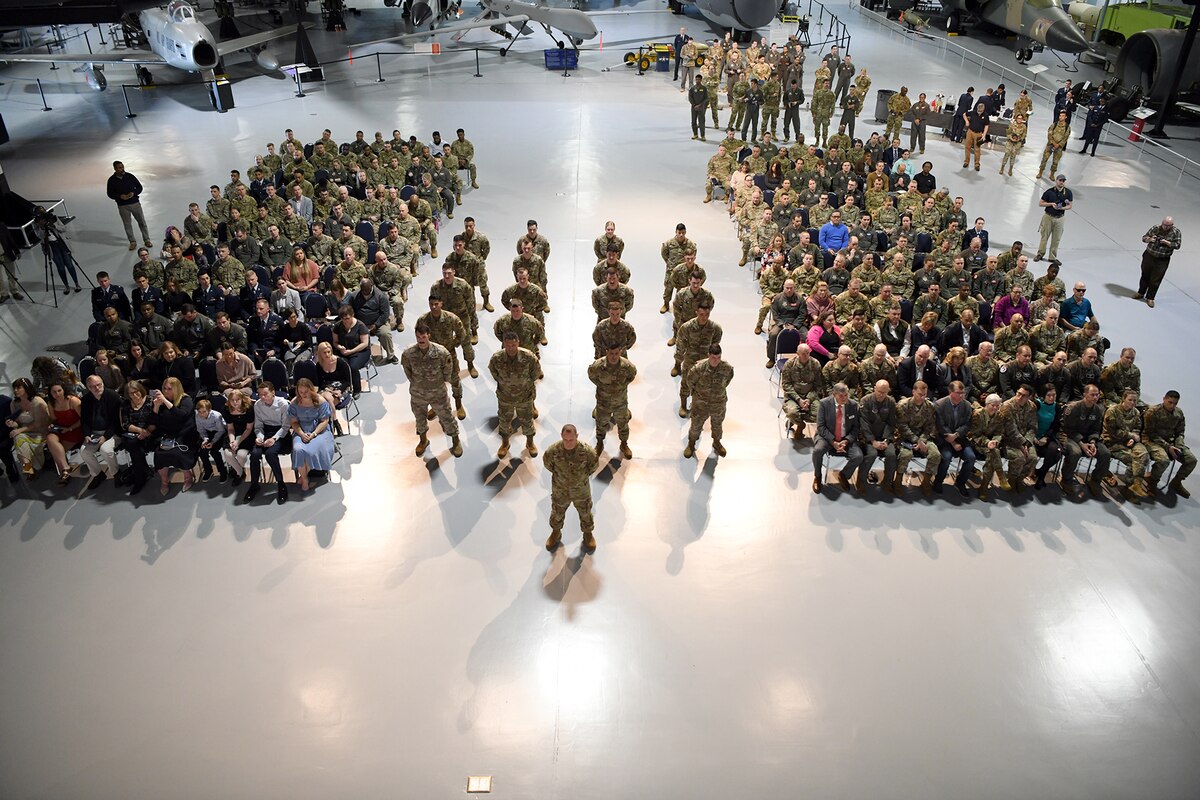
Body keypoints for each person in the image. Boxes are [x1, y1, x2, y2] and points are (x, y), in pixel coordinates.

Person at [542, 424, 599, 552]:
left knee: (585, 512)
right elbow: (548, 464)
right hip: (560, 490)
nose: (568, 443)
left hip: (581, 491)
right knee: (557, 512)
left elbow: (593, 466)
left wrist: (579, 479)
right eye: (565, 439)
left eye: (571, 439)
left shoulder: (587, 452)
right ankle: (556, 532)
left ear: (576, 436)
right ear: (561, 436)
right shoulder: (553, 451)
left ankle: (587, 534)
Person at [489, 332, 542, 459]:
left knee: (527, 420)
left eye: (513, 344)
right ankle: (505, 443)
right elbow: (494, 372)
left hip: (524, 397)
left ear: (518, 343)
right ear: (504, 344)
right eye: (508, 345)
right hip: (505, 397)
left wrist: (525, 384)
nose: (511, 347)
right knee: (504, 421)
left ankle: (530, 443)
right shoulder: (497, 358)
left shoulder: (528, 357)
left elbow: (536, 372)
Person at [243, 381, 291, 504]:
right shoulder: (258, 405)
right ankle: (254, 484)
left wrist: (274, 439)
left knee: (270, 453)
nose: (262, 397)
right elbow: (258, 426)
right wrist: (259, 437)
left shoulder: (283, 404)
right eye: (260, 394)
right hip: (265, 431)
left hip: (280, 434)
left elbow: (285, 427)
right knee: (254, 454)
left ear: (273, 393)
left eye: (265, 394)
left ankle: (281, 484)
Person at [1059, 383, 1111, 498]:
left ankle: (1095, 481)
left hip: (1088, 438)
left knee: (1105, 454)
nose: (1095, 397)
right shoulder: (1073, 408)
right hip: (1069, 436)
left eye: (1097, 395)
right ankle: (1066, 480)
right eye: (1092, 395)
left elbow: (1096, 429)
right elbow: (1067, 428)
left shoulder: (1098, 410)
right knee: (1075, 452)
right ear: (1084, 395)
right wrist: (1082, 444)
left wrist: (1092, 442)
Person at [684, 343, 734, 458]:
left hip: (718, 403)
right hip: (701, 404)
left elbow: (727, 381)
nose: (716, 361)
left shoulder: (727, 368)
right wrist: (698, 396)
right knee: (695, 426)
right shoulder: (699, 368)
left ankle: (716, 443)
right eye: (713, 357)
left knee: (717, 425)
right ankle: (691, 444)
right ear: (708, 355)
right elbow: (690, 381)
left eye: (718, 357)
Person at [812, 382, 863, 494]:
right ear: (834, 394)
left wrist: (846, 440)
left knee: (858, 456)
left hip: (846, 438)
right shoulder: (824, 404)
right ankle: (818, 476)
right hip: (827, 437)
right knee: (817, 451)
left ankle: (843, 475)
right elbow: (821, 426)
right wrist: (833, 441)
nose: (844, 398)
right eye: (841, 396)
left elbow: (856, 427)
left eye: (846, 395)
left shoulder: (853, 405)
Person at [1143, 390, 1195, 498]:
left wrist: (1178, 446)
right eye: (1170, 402)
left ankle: (1176, 482)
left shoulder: (1178, 413)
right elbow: (1150, 433)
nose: (1172, 405)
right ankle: (1152, 482)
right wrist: (1168, 447)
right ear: (1164, 399)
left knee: (1191, 460)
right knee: (1163, 460)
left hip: (1172, 442)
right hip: (1152, 441)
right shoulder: (1152, 411)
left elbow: (1180, 432)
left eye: (1175, 403)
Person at [151, 377, 198, 496]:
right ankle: (164, 481)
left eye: (169, 389)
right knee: (160, 453)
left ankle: (188, 477)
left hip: (184, 433)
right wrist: (156, 406)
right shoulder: (161, 402)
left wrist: (167, 403)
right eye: (165, 389)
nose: (166, 392)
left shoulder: (186, 400)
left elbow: (181, 415)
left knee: (177, 452)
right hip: (167, 433)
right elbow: (154, 422)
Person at [589, 343, 637, 459]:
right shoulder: (599, 365)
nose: (614, 356)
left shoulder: (626, 366)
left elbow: (632, 374)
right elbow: (591, 375)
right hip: (603, 402)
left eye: (616, 353)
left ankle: (624, 444)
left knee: (623, 424)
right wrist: (601, 386)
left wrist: (622, 385)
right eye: (611, 353)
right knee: (601, 423)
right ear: (607, 352)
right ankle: (599, 443)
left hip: (620, 403)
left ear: (620, 352)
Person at [1104, 389, 1152, 503]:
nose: (1132, 403)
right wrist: (1129, 435)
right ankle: (1128, 487)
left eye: (1135, 400)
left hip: (1128, 442)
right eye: (1130, 400)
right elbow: (1112, 432)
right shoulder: (1112, 411)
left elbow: (1137, 427)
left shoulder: (1135, 412)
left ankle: (1136, 484)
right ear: (1123, 399)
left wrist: (1132, 439)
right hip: (1112, 442)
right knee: (1133, 460)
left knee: (1144, 455)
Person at [895, 380, 941, 496]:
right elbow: (902, 427)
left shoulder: (929, 406)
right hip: (904, 438)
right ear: (913, 392)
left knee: (935, 454)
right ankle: (897, 482)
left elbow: (929, 426)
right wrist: (917, 441)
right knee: (906, 455)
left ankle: (926, 482)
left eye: (925, 395)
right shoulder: (902, 405)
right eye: (920, 394)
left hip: (923, 438)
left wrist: (922, 441)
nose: (922, 397)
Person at [288, 378, 334, 495]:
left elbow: (324, 421)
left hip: (319, 430)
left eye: (306, 392)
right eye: (300, 392)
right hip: (301, 430)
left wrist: (313, 434)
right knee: (298, 450)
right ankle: (304, 479)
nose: (303, 394)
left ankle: (304, 476)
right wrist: (302, 434)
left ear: (311, 390)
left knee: (311, 451)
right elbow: (294, 422)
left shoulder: (321, 401)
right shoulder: (294, 403)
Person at [933, 380, 976, 496]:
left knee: (971, 457)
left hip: (959, 437)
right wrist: (952, 442)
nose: (961, 395)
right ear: (950, 392)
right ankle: (938, 482)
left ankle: (960, 482)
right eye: (958, 393)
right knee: (946, 457)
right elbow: (940, 426)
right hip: (943, 437)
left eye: (963, 393)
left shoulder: (967, 405)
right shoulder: (939, 404)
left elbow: (967, 425)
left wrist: (956, 435)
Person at [6, 378, 50, 478]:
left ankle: (29, 467)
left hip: (39, 432)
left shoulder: (37, 402)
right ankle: (28, 467)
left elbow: (39, 423)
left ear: (26, 388)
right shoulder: (14, 404)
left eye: (18, 388)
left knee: (19, 436)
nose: (15, 391)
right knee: (19, 438)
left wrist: (19, 430)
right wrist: (13, 424)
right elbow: (17, 422)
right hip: (25, 433)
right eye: (14, 388)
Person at [1136, 216, 1182, 308]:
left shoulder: (1176, 232)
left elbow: (1177, 245)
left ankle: (1150, 298)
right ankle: (1140, 292)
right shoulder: (1155, 228)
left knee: (1156, 279)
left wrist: (1167, 243)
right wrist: (1150, 239)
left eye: (1168, 225)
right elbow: (1144, 238)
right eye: (1164, 224)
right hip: (1149, 255)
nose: (1165, 227)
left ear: (1172, 225)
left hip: (1162, 259)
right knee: (1145, 274)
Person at [107, 160, 153, 250]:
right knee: (127, 224)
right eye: (120, 168)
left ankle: (147, 240)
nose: (122, 169)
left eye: (123, 167)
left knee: (142, 222)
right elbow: (110, 193)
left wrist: (133, 193)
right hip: (123, 206)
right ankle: (132, 242)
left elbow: (139, 187)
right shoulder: (111, 180)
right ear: (115, 169)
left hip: (135, 204)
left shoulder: (130, 176)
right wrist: (120, 196)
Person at [45, 383, 83, 485]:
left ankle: (64, 472)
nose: (57, 394)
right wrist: (51, 425)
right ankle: (66, 468)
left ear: (63, 390)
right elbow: (53, 419)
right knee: (50, 439)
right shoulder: (51, 403)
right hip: (60, 428)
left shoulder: (72, 401)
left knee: (56, 449)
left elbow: (83, 419)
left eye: (59, 391)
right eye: (54, 392)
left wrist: (70, 428)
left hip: (75, 428)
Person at [1034, 174, 1073, 266]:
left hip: (1060, 218)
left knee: (1056, 239)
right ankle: (1040, 254)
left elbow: (1070, 205)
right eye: (1060, 180)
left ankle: (1052, 257)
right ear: (1056, 181)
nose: (1061, 182)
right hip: (1049, 216)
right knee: (1044, 236)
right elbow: (1041, 203)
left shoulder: (1068, 192)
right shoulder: (1049, 192)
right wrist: (1051, 204)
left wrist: (1062, 208)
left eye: (1063, 181)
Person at [221, 389, 254, 486]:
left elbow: (248, 429)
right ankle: (240, 473)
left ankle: (236, 469)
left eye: (237, 400)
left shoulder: (249, 408)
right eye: (232, 400)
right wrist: (232, 441)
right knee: (227, 454)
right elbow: (230, 428)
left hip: (247, 434)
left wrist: (238, 442)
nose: (235, 402)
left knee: (241, 455)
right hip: (234, 433)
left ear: (242, 399)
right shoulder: (226, 409)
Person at [194, 397, 228, 482]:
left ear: (209, 410)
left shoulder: (216, 416)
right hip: (207, 433)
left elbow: (221, 430)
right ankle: (208, 470)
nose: (201, 414)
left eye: (204, 412)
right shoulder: (197, 416)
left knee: (214, 452)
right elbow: (201, 430)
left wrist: (213, 442)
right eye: (199, 412)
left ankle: (223, 471)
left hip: (220, 433)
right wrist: (205, 439)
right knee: (202, 452)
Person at [1036, 112, 1071, 180]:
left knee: (1055, 162)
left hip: (1059, 147)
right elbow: (1049, 134)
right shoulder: (1054, 125)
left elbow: (1066, 138)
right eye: (1060, 116)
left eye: (1063, 116)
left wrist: (1059, 145)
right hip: (1050, 145)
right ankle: (1040, 172)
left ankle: (1052, 174)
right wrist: (1053, 142)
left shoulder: (1067, 127)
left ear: (1066, 117)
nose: (1061, 117)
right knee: (1044, 159)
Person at [962, 101, 990, 171]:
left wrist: (984, 135)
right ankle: (966, 161)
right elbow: (964, 114)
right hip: (970, 131)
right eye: (978, 111)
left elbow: (986, 125)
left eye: (981, 111)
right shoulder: (973, 112)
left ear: (983, 110)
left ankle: (977, 164)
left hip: (978, 134)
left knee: (977, 149)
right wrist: (967, 121)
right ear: (977, 109)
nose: (979, 112)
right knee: (967, 147)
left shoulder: (986, 115)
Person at [689, 72, 709, 141]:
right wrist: (694, 105)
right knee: (693, 121)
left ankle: (703, 136)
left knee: (701, 122)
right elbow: (690, 97)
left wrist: (700, 105)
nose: (697, 81)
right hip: (694, 108)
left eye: (699, 79)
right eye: (696, 79)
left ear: (701, 80)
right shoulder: (692, 88)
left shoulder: (704, 89)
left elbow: (706, 98)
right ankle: (695, 134)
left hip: (701, 108)